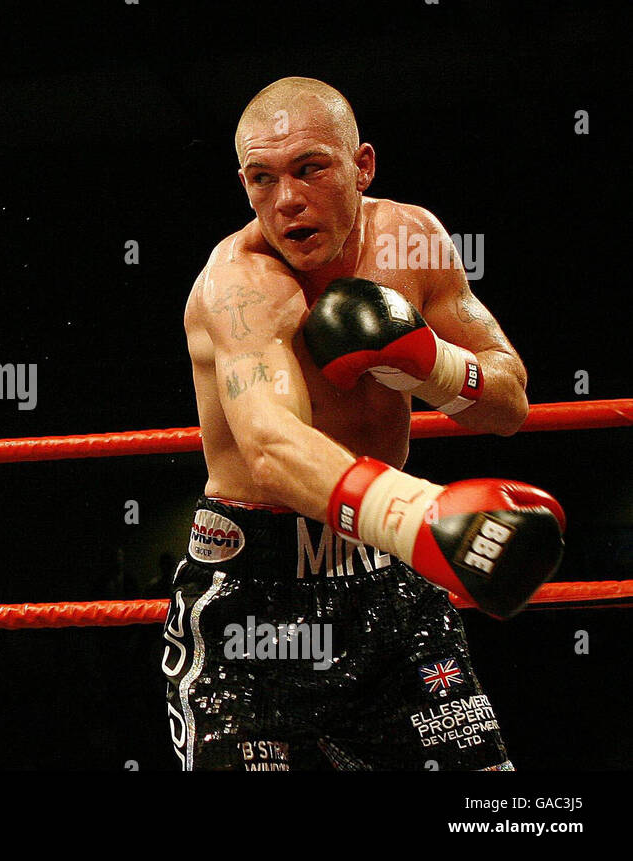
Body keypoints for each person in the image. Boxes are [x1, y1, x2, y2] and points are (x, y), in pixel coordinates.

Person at [163, 77, 564, 771]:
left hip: (387, 582)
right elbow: (271, 447)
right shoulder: (240, 285)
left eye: (310, 169)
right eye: (262, 179)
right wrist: (418, 513)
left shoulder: (412, 242)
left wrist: (430, 361)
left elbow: (509, 404)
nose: (286, 199)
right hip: (254, 597)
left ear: (362, 165)